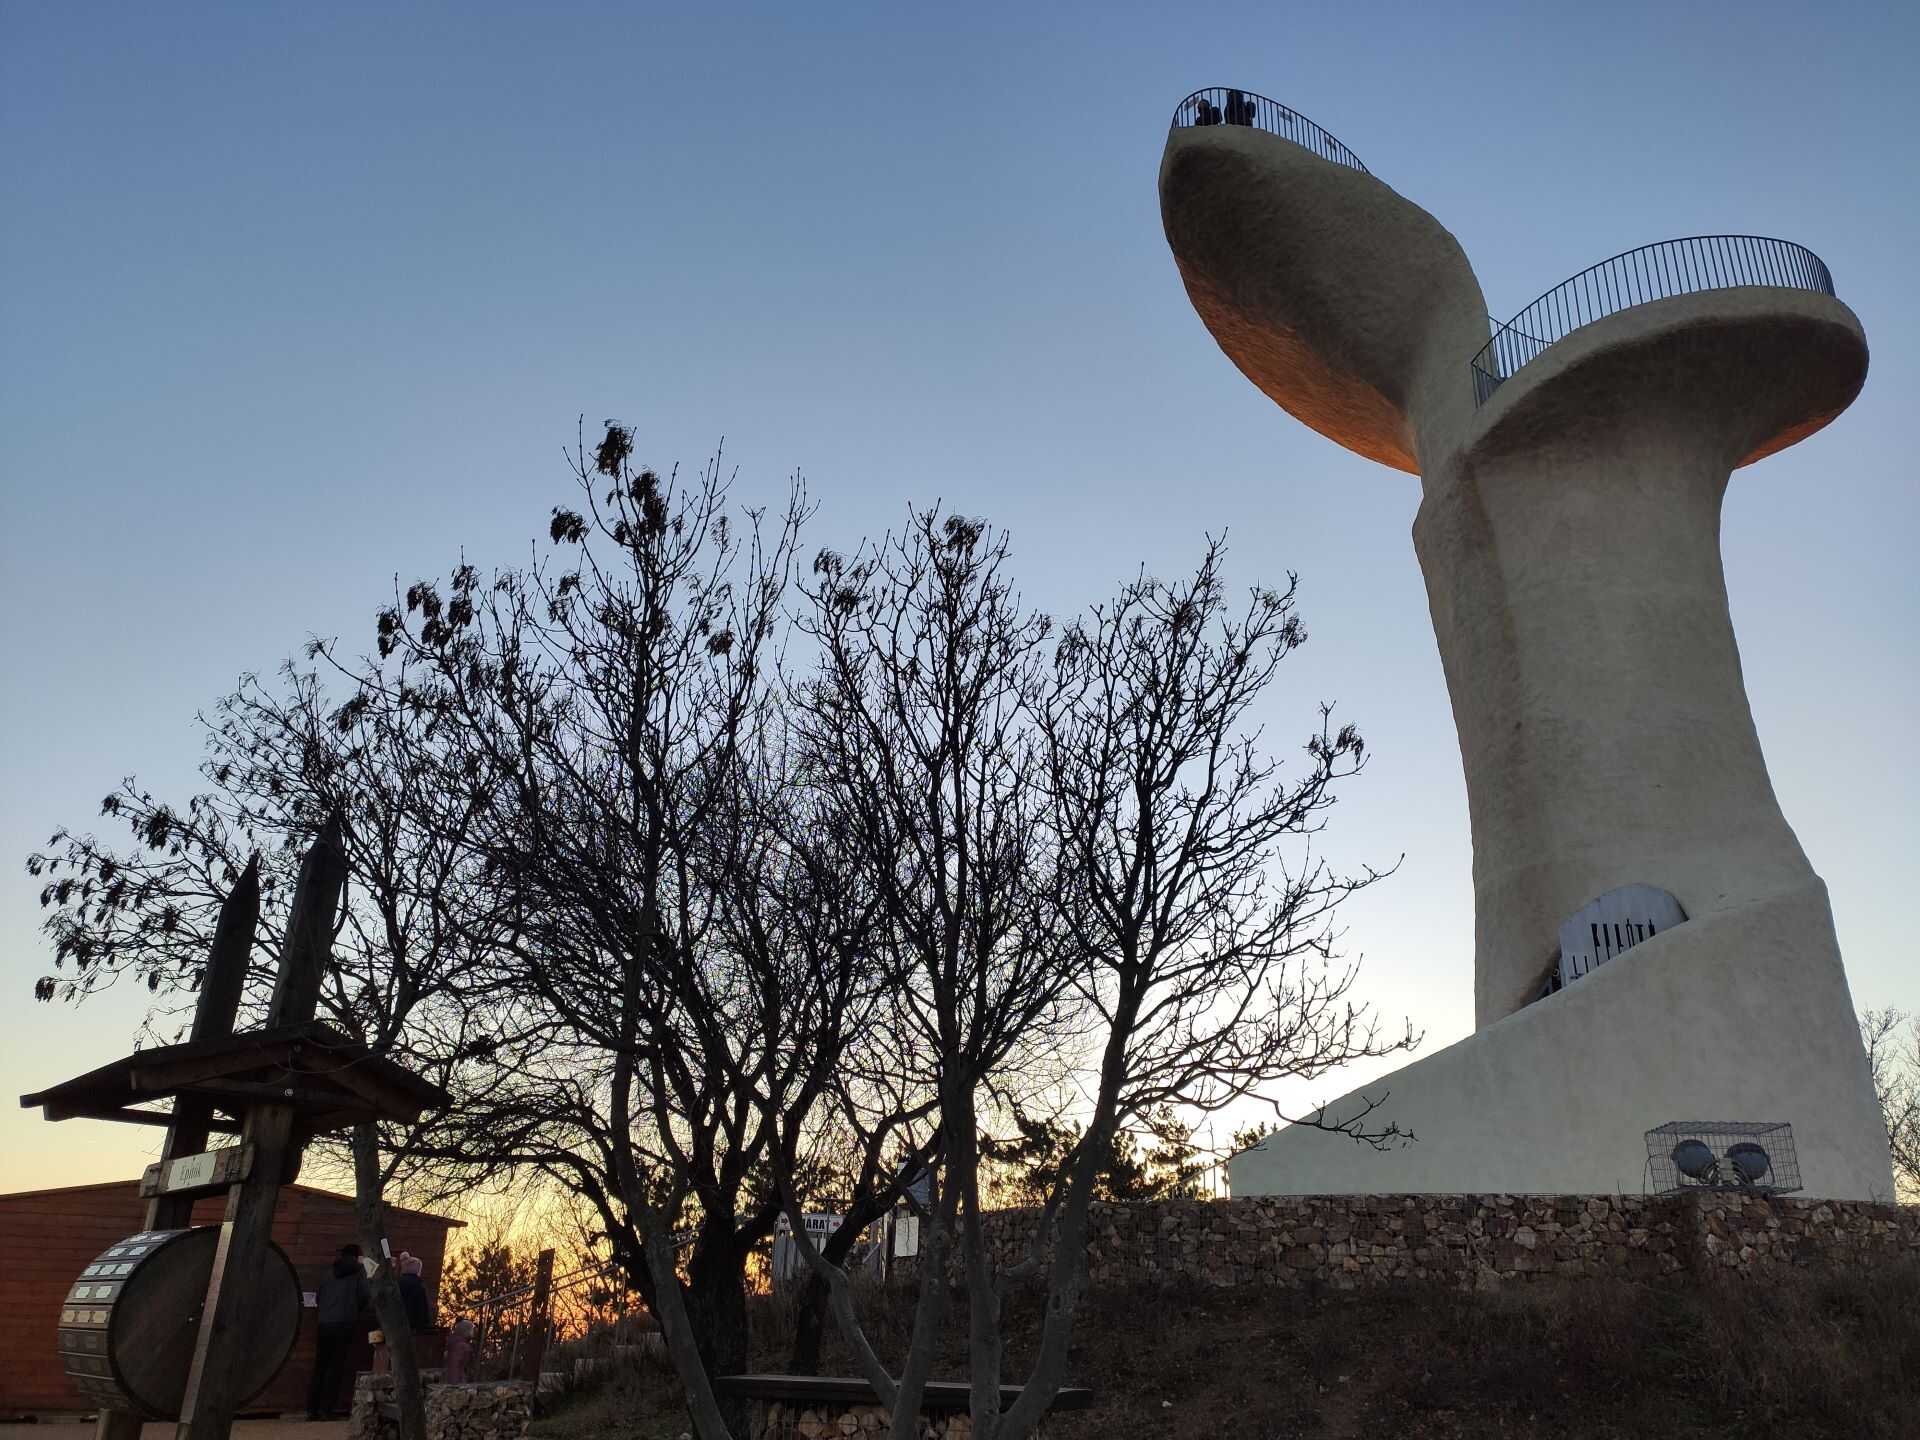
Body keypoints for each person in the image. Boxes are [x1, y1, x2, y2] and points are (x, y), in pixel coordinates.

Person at [307, 1245, 369, 1420]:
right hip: (344, 1324)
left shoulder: (329, 1272)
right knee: (336, 1367)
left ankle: (312, 1409)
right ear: (357, 1256)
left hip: (324, 1324)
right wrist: (355, 1311)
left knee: (320, 1367)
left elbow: (319, 1297)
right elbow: (364, 1295)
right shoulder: (359, 1273)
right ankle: (327, 1410)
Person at [396, 1252, 434, 1332]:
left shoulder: (396, 1283)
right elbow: (422, 1307)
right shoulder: (418, 1285)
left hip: (395, 1323)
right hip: (411, 1326)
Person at [443, 1318, 476, 1384]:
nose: (473, 1332)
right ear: (465, 1330)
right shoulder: (459, 1346)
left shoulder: (459, 1344)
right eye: (471, 1329)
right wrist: (454, 1385)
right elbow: (454, 1366)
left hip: (460, 1379)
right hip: (457, 1382)